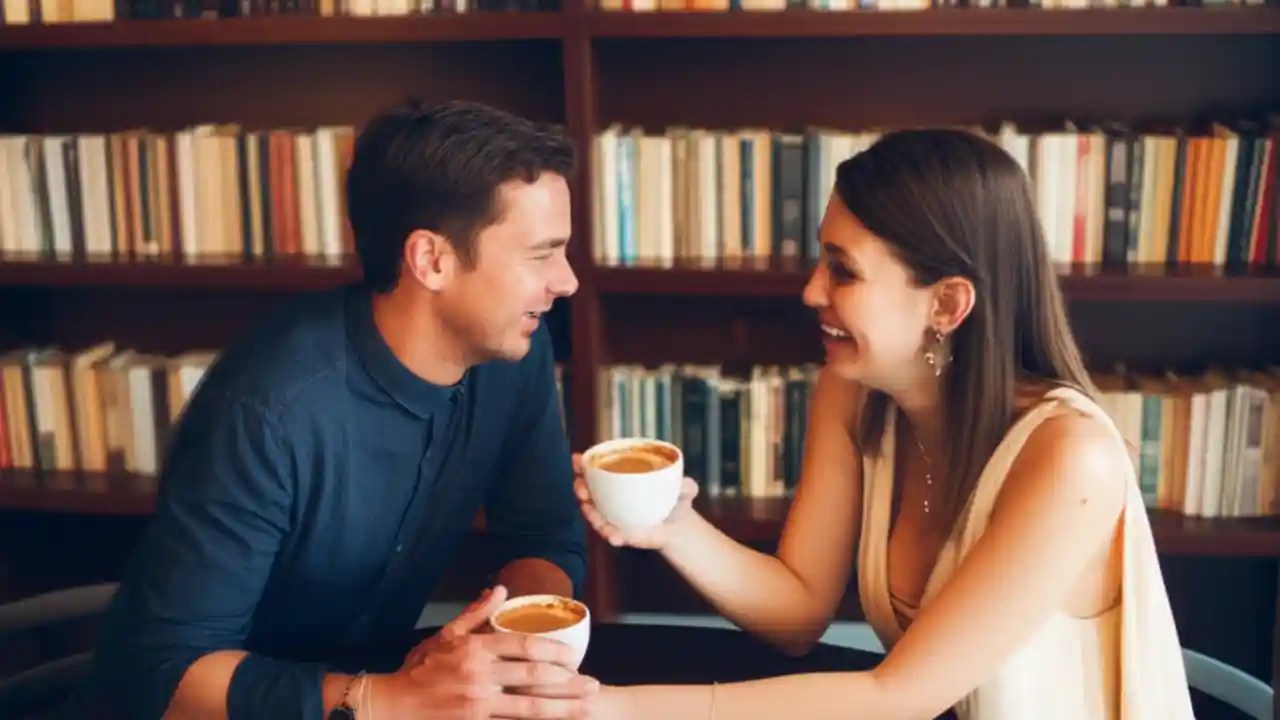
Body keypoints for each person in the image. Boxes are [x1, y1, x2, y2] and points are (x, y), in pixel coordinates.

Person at [575, 129, 1196, 720]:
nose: (812, 292)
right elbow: (798, 611)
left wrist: (618, 707)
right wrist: (672, 527)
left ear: (946, 304)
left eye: (843, 270)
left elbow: (898, 697)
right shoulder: (853, 392)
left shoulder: (1069, 455)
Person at [81, 99, 599, 720]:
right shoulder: (269, 410)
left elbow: (544, 536)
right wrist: (387, 699)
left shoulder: (517, 349)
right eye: (541, 256)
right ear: (431, 260)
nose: (566, 282)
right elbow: (163, 675)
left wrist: (514, 652)